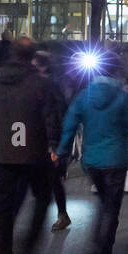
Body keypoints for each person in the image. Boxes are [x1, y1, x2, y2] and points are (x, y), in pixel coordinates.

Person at [57, 52, 128, 254]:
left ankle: (97, 244)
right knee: (110, 209)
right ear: (117, 71)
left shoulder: (83, 96)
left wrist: (61, 152)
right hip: (115, 160)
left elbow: (69, 126)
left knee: (103, 201)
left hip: (91, 161)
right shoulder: (124, 98)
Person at [0, 44, 63, 254]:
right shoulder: (40, 83)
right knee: (42, 196)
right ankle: (29, 244)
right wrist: (53, 144)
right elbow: (51, 118)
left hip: (5, 153)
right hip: (34, 152)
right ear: (32, 57)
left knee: (4, 207)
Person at [34, 50, 73, 232]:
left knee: (53, 178)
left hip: (49, 138)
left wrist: (55, 145)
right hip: (45, 136)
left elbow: (56, 115)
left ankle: (61, 214)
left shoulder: (51, 84)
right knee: (51, 178)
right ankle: (61, 214)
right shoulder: (48, 83)